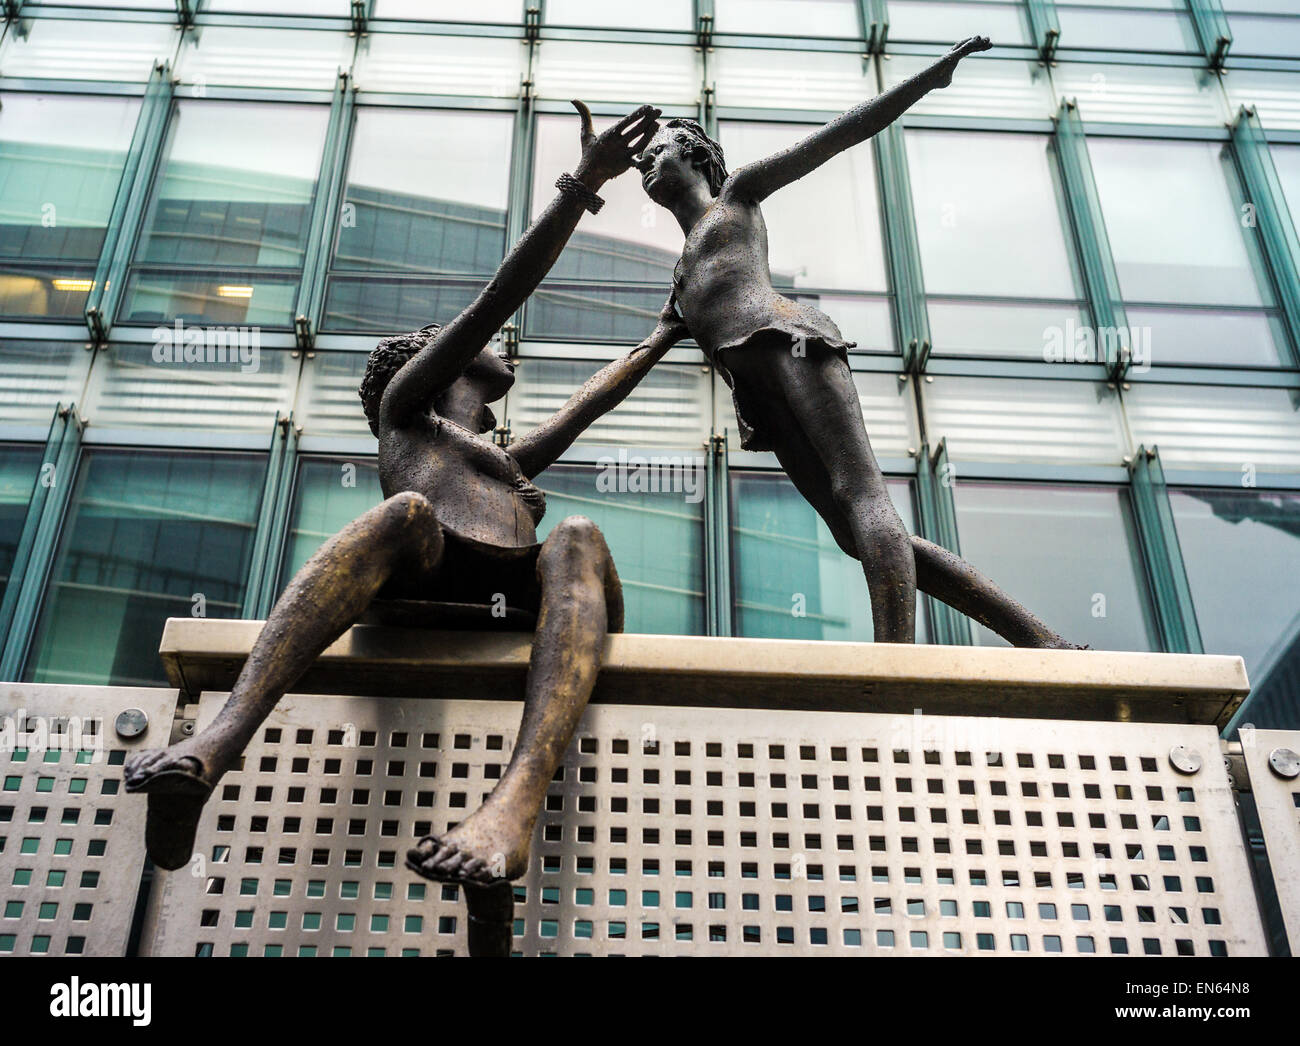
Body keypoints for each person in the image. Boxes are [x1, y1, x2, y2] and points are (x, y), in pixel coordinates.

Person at [124, 102, 690, 892]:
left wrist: (666, 334)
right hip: (423, 575)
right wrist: (580, 187)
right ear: (432, 361)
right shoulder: (408, 413)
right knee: (408, 513)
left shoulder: (496, 460)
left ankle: (510, 814)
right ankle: (213, 748)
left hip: (526, 600)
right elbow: (498, 299)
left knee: (580, 537)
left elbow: (588, 404)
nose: (492, 344)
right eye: (467, 342)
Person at [636, 36, 1078, 648]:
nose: (644, 163)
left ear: (697, 157)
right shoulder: (680, 277)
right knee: (852, 531)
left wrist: (930, 77)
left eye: (657, 150)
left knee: (861, 494)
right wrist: (581, 182)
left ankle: (893, 659)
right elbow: (639, 357)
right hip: (759, 396)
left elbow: (836, 136)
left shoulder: (737, 197)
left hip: (789, 342)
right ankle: (1037, 639)